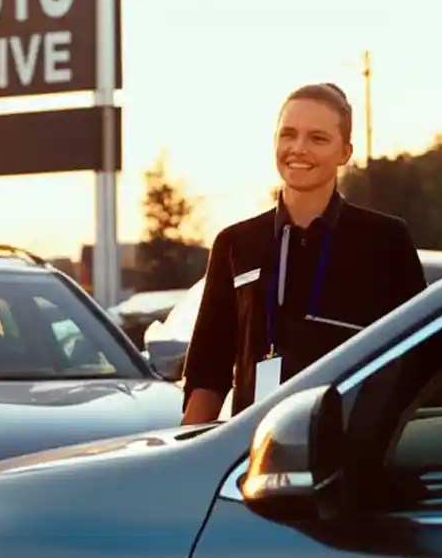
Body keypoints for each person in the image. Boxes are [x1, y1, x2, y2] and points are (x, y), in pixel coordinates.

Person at [180, 82, 426, 425]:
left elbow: (419, 362)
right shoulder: (236, 243)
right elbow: (208, 372)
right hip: (257, 456)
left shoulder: (386, 240)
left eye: (318, 138)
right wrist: (190, 464)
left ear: (345, 152)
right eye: (288, 135)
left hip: (354, 450)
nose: (298, 148)